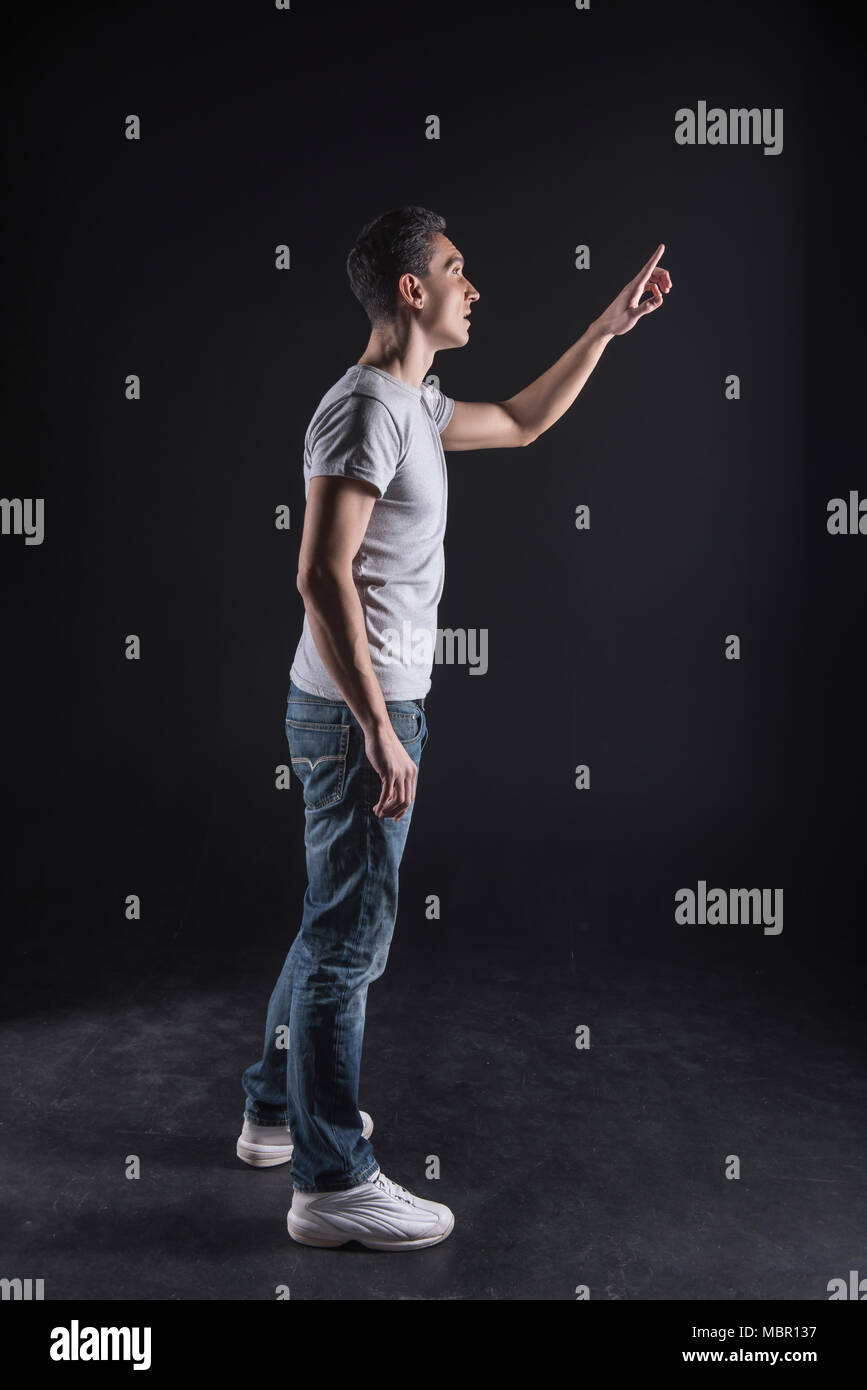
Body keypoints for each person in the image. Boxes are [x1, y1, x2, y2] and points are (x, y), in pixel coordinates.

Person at [237, 206, 672, 1252]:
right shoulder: (363, 413)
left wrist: (607, 328)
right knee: (351, 938)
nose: (475, 287)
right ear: (411, 291)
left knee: (329, 917)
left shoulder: (413, 406)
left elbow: (522, 422)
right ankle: (331, 1181)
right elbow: (317, 574)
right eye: (456, 270)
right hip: (357, 719)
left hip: (361, 711)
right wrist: (380, 728)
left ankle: (271, 1108)